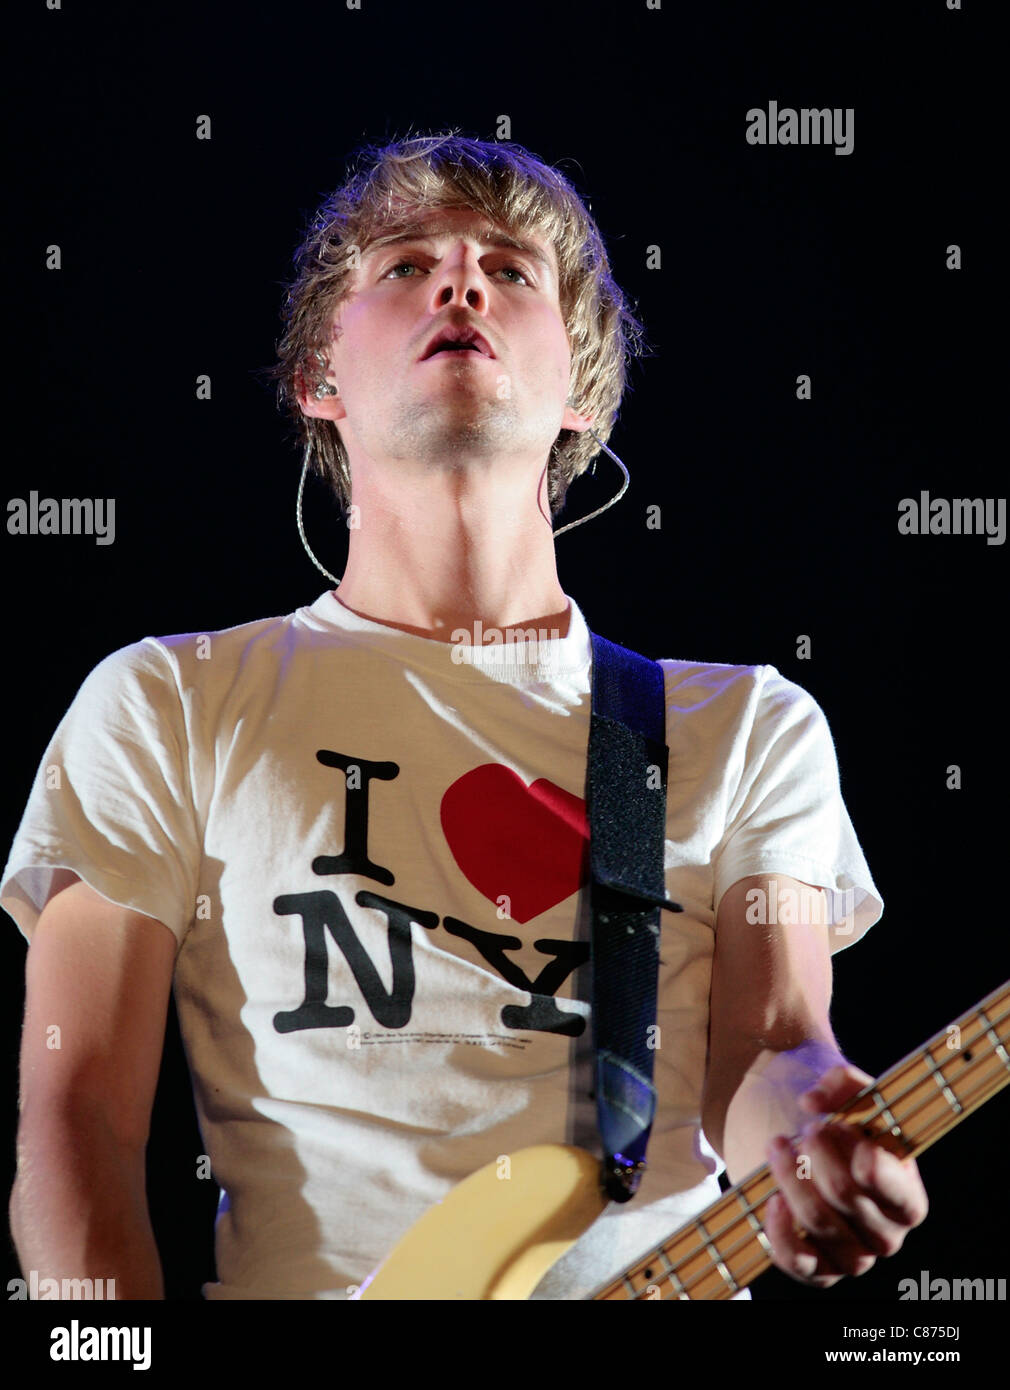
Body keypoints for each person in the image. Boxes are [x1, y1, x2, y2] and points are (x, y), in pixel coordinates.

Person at [3, 132, 927, 1301]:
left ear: (582, 387)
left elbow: (773, 1047)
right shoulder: (167, 702)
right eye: (401, 265)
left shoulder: (746, 725)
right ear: (316, 380)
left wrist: (818, 1132)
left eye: (511, 265)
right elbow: (74, 1112)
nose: (461, 281)